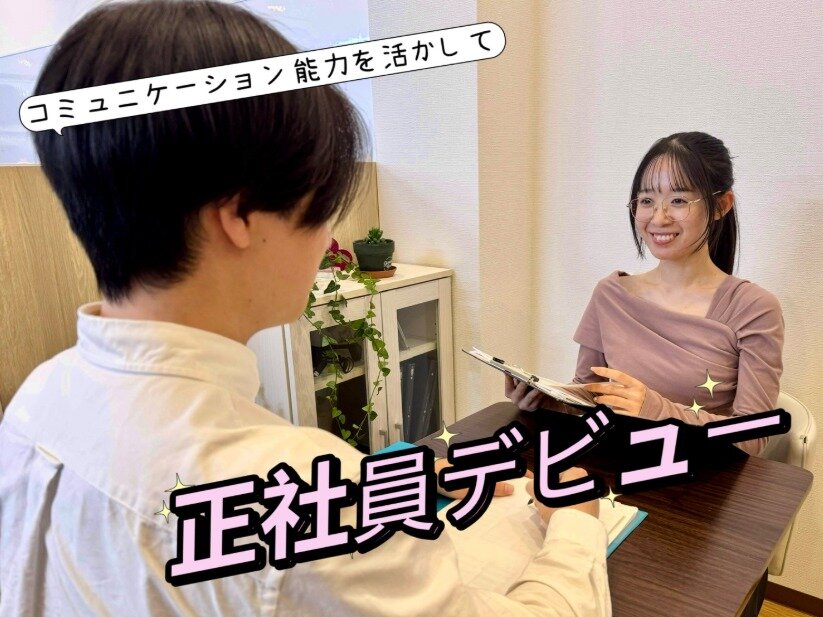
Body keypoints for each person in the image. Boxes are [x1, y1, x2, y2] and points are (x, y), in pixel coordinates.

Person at [0, 2, 611, 615]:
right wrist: (576, 522)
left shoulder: (36, 403)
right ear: (241, 214)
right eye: (320, 206)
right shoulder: (298, 503)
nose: (327, 239)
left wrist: (390, 489)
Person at [507, 132, 784, 457]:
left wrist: (655, 409)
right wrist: (550, 400)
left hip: (699, 478)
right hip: (613, 466)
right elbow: (590, 397)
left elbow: (752, 437)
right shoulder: (610, 294)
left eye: (678, 200)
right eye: (647, 200)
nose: (658, 218)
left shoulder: (754, 308)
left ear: (721, 205)